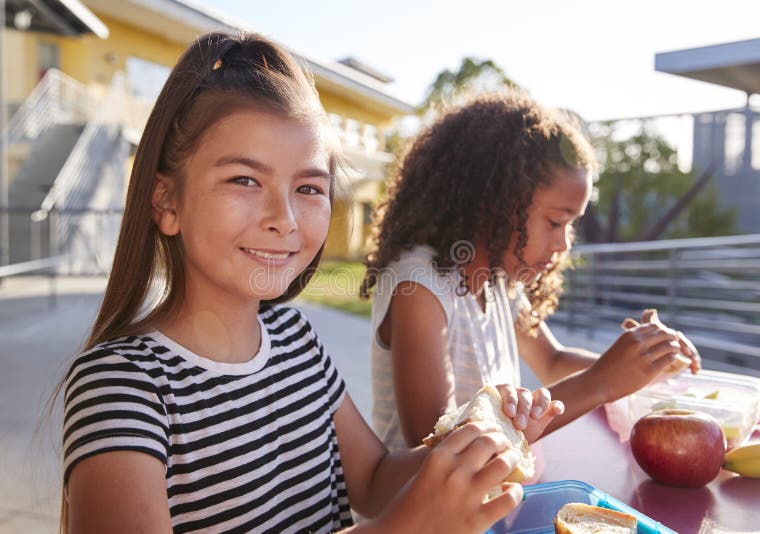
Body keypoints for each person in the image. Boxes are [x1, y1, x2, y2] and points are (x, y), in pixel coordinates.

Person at [57, 33, 565, 534]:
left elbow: (373, 478)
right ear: (166, 202)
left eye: (308, 188)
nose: (285, 218)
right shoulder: (120, 387)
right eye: (245, 180)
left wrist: (473, 446)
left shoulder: (294, 337)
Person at [361, 93, 701, 451]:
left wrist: (642, 366)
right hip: (422, 505)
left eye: (571, 225)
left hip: (490, 495)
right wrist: (601, 382)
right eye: (555, 222)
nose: (565, 244)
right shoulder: (421, 286)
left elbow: (553, 361)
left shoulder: (496, 281)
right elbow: (437, 442)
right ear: (493, 201)